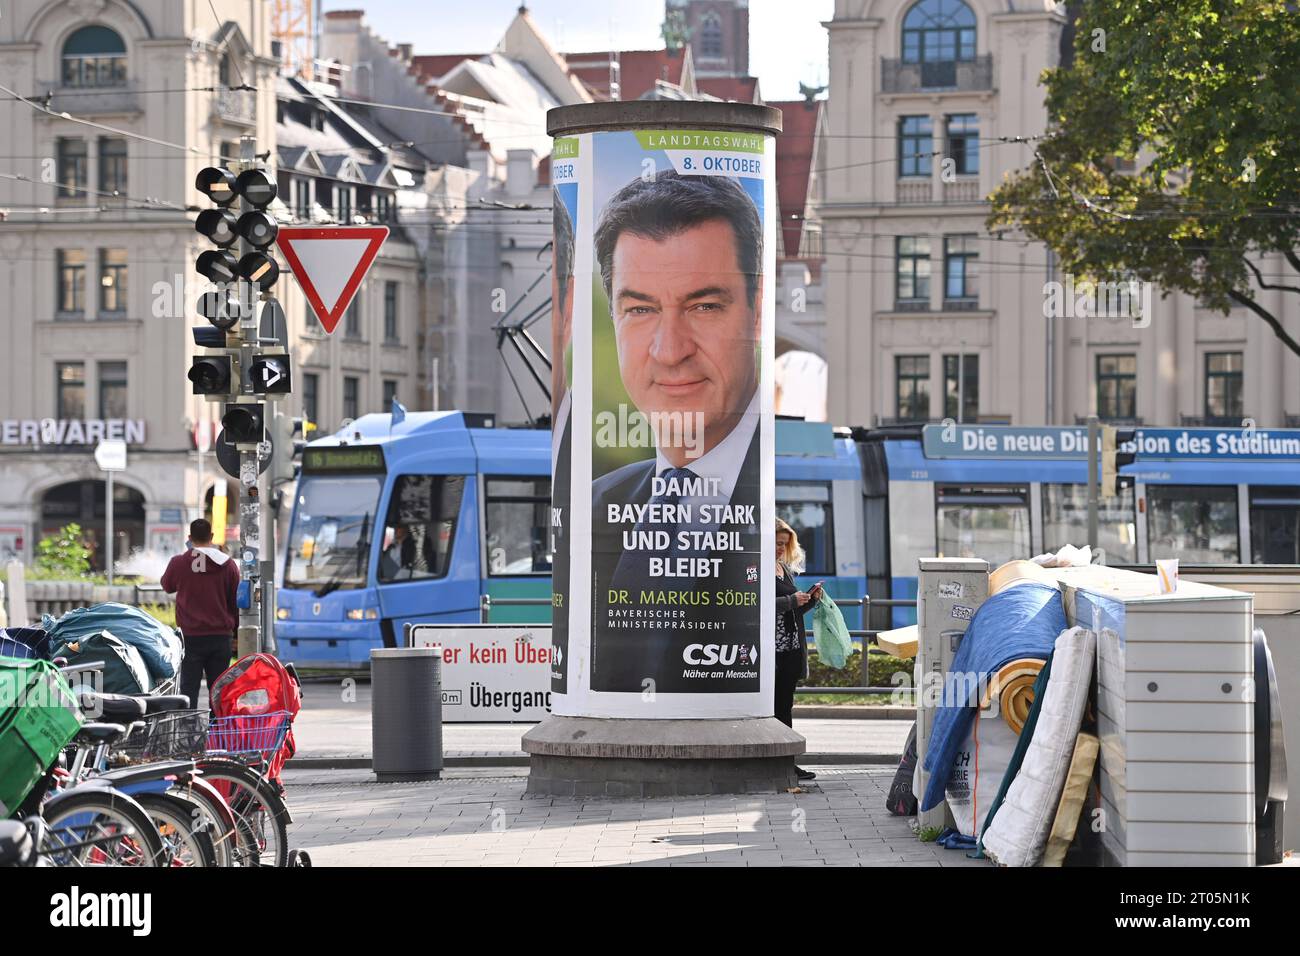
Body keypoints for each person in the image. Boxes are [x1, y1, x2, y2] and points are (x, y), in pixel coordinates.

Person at [590, 171, 764, 692]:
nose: (670, 350)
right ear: (613, 319)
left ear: (757, 315)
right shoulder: (599, 502)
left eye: (704, 306)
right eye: (640, 309)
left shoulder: (774, 493)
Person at [161, 518, 239, 709]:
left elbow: (167, 586)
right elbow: (235, 601)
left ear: (189, 537)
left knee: (188, 688)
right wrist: (236, 633)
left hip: (189, 637)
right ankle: (218, 733)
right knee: (219, 689)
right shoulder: (228, 565)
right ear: (211, 537)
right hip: (220, 636)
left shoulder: (179, 562)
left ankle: (188, 732)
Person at [775, 518, 821, 780]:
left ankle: (787, 762)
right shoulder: (755, 568)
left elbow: (793, 610)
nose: (781, 548)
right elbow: (757, 604)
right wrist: (791, 600)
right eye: (777, 543)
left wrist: (810, 601)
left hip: (791, 648)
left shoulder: (784, 568)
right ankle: (777, 762)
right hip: (772, 650)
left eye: (784, 544)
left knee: (785, 705)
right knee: (775, 706)